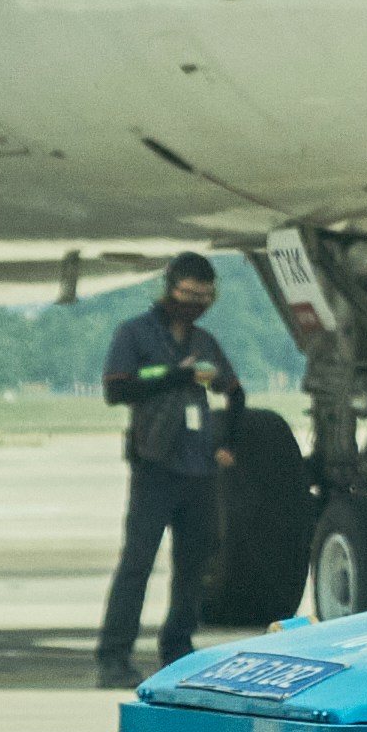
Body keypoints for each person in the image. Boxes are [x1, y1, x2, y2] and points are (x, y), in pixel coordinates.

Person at [97, 253, 250, 685]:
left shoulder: (204, 341)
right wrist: (174, 375)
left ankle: (178, 647)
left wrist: (227, 442)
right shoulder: (135, 334)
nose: (195, 303)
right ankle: (113, 656)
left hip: (198, 467)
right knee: (137, 563)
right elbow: (117, 387)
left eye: (204, 296)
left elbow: (234, 392)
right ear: (169, 289)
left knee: (193, 564)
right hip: (155, 464)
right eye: (187, 294)